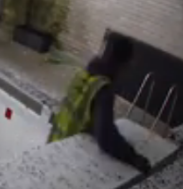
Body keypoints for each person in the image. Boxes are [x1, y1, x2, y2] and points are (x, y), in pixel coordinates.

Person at [48, 37, 152, 172]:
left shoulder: (85, 74)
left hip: (57, 139)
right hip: (69, 154)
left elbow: (81, 110)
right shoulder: (103, 89)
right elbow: (105, 136)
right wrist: (133, 157)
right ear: (123, 63)